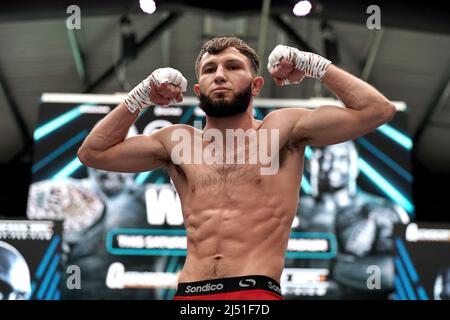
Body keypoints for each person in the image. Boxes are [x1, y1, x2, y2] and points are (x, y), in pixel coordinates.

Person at [78, 36, 396, 300]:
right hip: (190, 296)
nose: (220, 75)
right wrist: (140, 96)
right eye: (209, 69)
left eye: (233, 67)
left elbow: (377, 110)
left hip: (254, 296)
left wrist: (314, 65)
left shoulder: (282, 130)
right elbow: (93, 153)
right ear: (198, 90)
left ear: (256, 86)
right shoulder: (178, 142)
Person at [286, 141, 408, 299]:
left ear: (354, 164)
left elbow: (395, 274)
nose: (333, 165)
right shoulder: (288, 210)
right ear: (311, 162)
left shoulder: (380, 212)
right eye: (326, 157)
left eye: (342, 158)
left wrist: (338, 270)